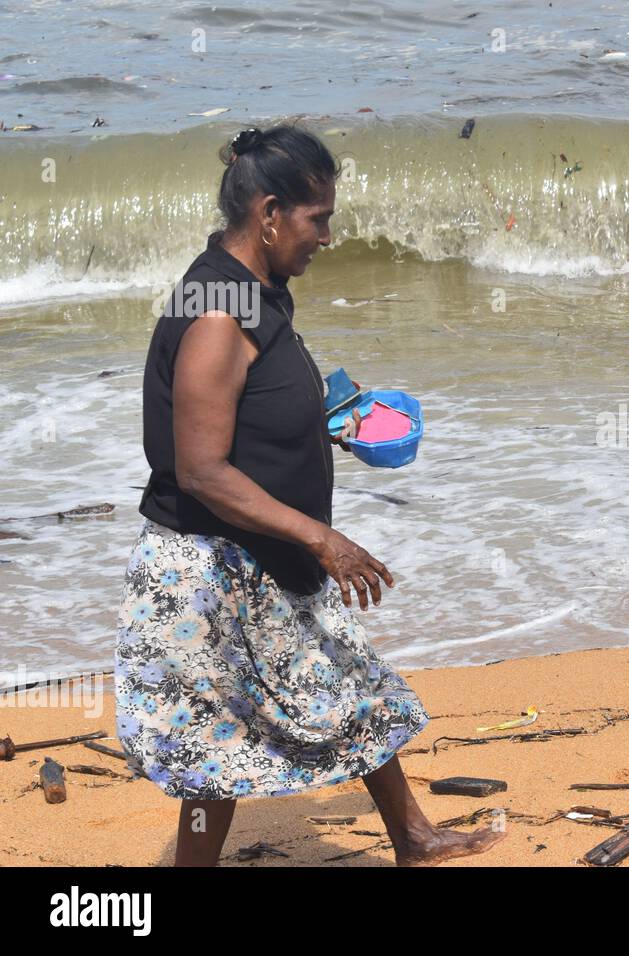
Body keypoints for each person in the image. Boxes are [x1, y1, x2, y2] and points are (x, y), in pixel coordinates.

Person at [114, 124, 504, 866]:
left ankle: (415, 838)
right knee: (212, 757)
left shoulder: (257, 289)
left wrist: (324, 423)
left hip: (258, 556)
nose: (326, 235)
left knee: (350, 687)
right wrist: (323, 538)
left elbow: (247, 414)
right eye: (316, 217)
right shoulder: (217, 312)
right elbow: (200, 469)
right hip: (209, 573)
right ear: (267, 214)